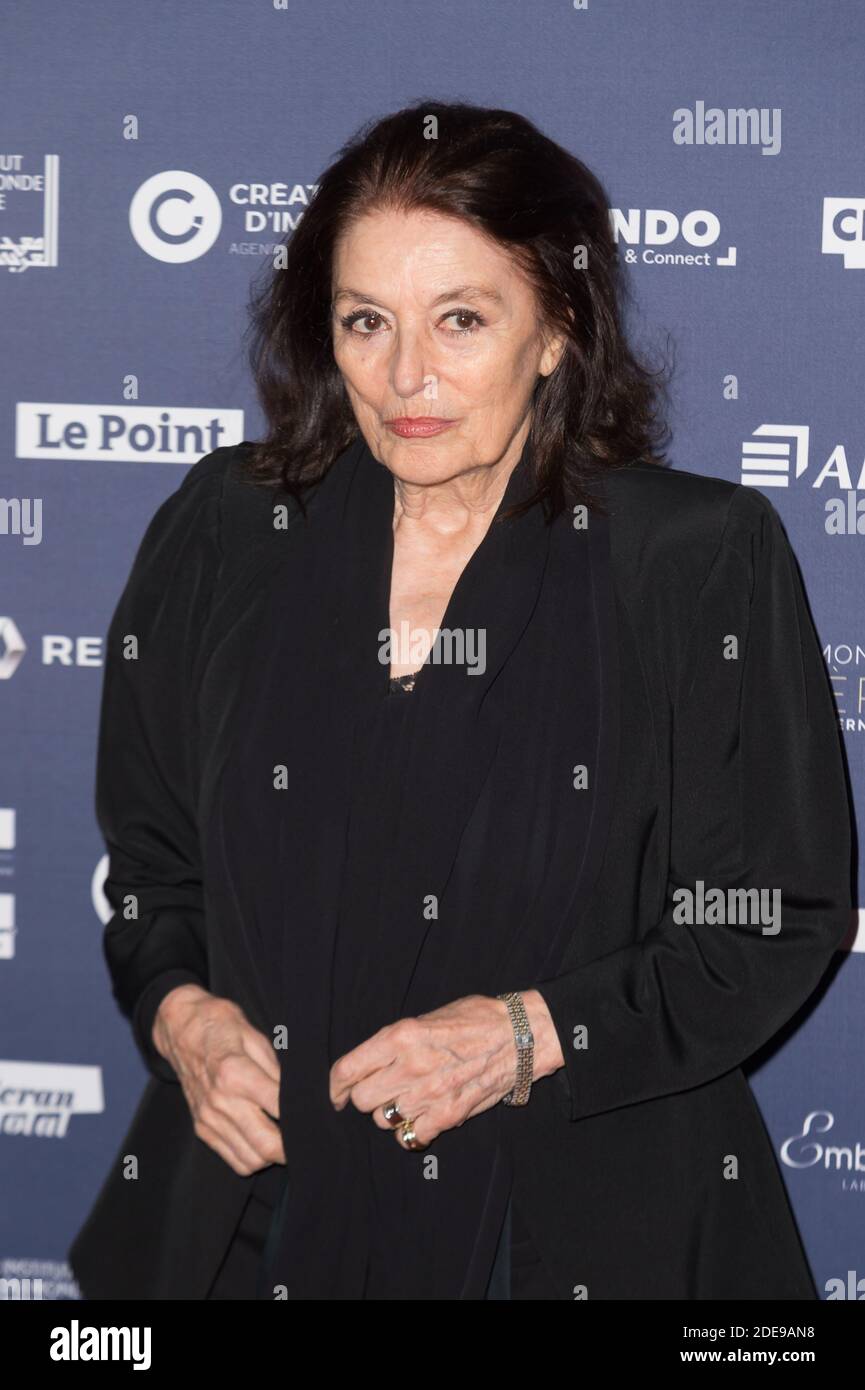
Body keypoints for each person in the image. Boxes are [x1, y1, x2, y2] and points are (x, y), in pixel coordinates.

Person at [69, 100, 852, 1301]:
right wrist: (182, 1016)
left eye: (462, 320)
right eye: (365, 321)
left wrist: (527, 1037)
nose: (406, 376)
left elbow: (771, 915)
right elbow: (152, 861)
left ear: (556, 331)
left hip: (565, 1229)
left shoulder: (693, 558)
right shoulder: (230, 527)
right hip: (254, 1216)